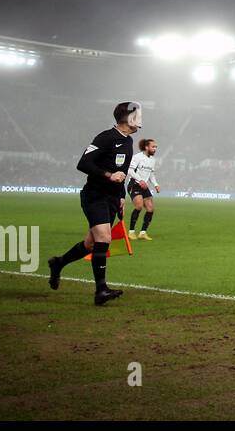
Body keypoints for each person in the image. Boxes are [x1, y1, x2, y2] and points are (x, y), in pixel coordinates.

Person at [47, 101, 143, 305]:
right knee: (104, 238)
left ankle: (58, 263)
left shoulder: (128, 142)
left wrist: (120, 197)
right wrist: (108, 175)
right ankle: (101, 291)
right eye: (138, 114)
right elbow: (83, 163)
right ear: (128, 117)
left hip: (111, 198)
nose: (141, 118)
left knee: (90, 244)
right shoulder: (106, 137)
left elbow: (122, 173)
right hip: (95, 195)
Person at [126, 137, 161, 240]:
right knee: (139, 206)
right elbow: (130, 171)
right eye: (153, 146)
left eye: (156, 147)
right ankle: (131, 232)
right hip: (134, 183)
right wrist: (140, 180)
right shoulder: (137, 157)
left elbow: (151, 174)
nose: (155, 149)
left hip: (144, 185)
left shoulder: (153, 160)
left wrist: (155, 184)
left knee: (150, 208)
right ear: (146, 147)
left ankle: (142, 232)